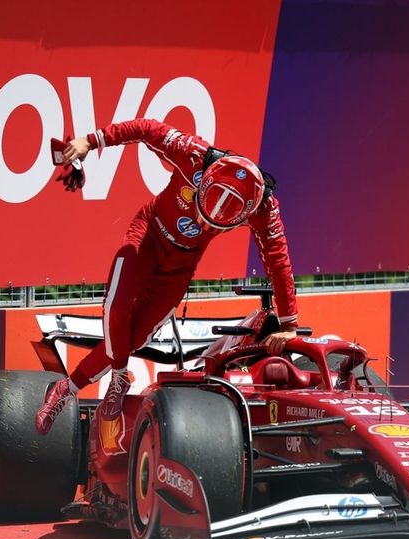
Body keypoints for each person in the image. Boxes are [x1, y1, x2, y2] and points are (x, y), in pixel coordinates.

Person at [35, 119, 299, 443]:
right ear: (205, 181)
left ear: (245, 213)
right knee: (116, 312)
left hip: (180, 267)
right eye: (202, 209)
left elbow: (278, 261)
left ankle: (66, 388)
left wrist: (290, 323)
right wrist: (92, 141)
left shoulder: (264, 208)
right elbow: (145, 128)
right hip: (147, 235)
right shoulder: (193, 153)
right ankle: (119, 378)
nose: (203, 221)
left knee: (128, 339)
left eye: (214, 223)